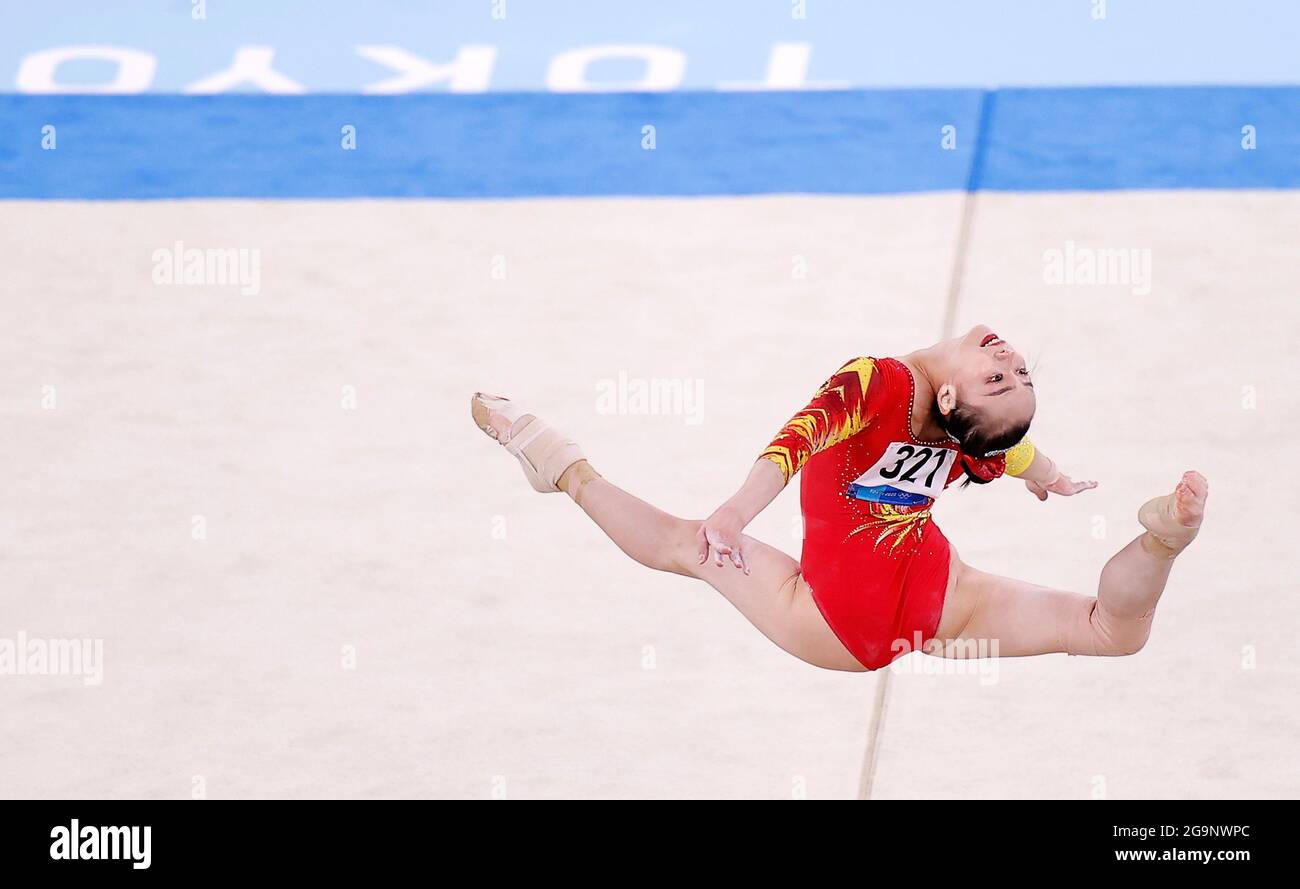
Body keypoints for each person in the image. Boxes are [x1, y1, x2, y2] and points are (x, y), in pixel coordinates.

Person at [470, 324, 1207, 672]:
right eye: (1017, 372)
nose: (1011, 358)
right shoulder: (968, 430)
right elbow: (1002, 447)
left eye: (1001, 376)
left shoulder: (881, 384)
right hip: (940, 602)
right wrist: (1042, 470)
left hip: (832, 622)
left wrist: (732, 513)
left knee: (681, 544)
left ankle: (554, 460)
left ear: (953, 396)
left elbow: (795, 443)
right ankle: (1163, 541)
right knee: (1114, 629)